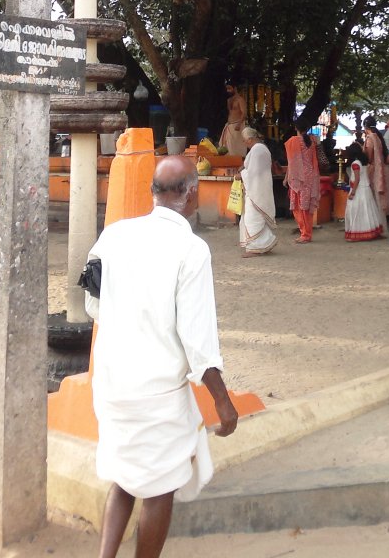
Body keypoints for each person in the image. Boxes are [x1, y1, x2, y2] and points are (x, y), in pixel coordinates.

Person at [83, 155, 238, 558]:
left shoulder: (113, 236)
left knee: (124, 479)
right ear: (191, 194)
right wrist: (224, 402)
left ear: (153, 192)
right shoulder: (191, 249)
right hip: (157, 395)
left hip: (112, 384)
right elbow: (198, 340)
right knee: (158, 489)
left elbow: (93, 306)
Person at [238, 126, 278, 257]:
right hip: (258, 187)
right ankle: (265, 243)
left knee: (252, 218)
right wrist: (244, 168)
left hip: (256, 188)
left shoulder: (258, 150)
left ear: (249, 139)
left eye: (244, 141)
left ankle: (255, 248)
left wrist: (241, 174)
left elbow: (253, 172)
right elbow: (251, 167)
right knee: (254, 218)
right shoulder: (260, 149)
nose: (244, 144)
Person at [283, 115, 320, 243]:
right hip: (311, 176)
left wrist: (287, 177)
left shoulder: (293, 141)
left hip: (298, 177)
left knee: (299, 207)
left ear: (295, 127)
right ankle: (306, 233)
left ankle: (304, 234)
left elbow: (292, 162)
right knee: (306, 206)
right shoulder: (312, 140)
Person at [343, 142, 384, 241]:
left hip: (359, 190)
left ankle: (358, 232)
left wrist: (353, 192)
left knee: (355, 211)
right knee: (368, 211)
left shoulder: (355, 164)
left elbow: (357, 179)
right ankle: (370, 231)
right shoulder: (363, 162)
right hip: (366, 189)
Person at [363, 116, 389, 218]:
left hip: (373, 169)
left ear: (365, 127)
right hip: (381, 168)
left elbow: (369, 157)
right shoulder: (378, 137)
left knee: (373, 195)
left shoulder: (370, 138)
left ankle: (374, 222)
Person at [219, 84, 248, 157]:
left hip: (237, 126)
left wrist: (239, 124)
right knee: (227, 149)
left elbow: (244, 113)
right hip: (229, 126)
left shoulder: (240, 100)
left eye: (229, 88)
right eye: (227, 89)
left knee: (236, 148)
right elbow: (230, 113)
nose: (228, 90)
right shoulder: (229, 100)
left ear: (235, 88)